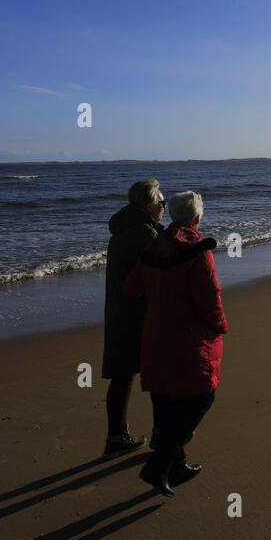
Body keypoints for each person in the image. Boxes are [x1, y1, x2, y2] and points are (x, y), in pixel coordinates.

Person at [125, 190, 227, 495]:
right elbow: (209, 297)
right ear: (196, 217)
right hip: (190, 338)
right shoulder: (197, 249)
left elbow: (131, 288)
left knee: (167, 402)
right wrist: (220, 325)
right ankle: (161, 462)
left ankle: (176, 464)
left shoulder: (154, 246)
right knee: (201, 397)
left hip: (156, 336)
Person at [100, 179, 165, 459]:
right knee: (158, 374)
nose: (164, 207)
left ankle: (117, 434)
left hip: (119, 310)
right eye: (161, 203)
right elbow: (159, 275)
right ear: (149, 205)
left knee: (122, 374)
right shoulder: (143, 235)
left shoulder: (125, 228)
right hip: (138, 313)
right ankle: (161, 435)